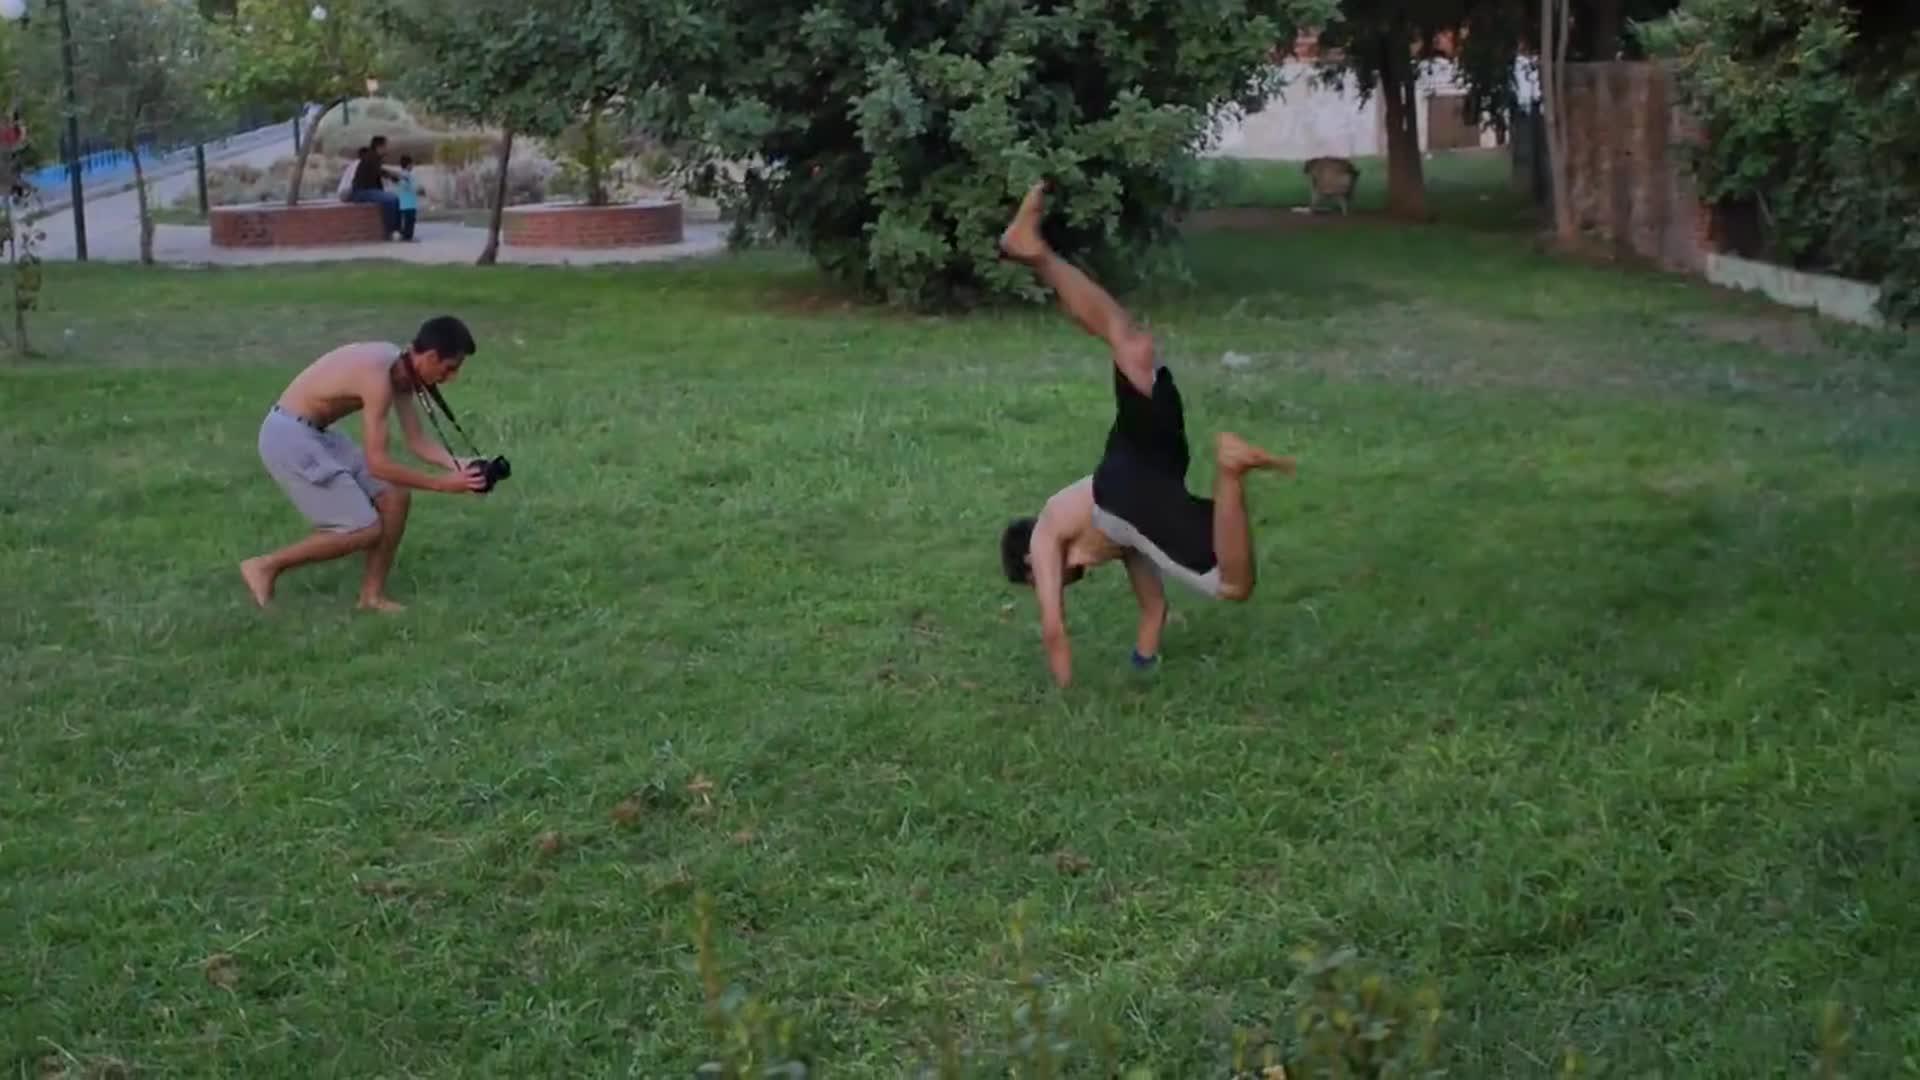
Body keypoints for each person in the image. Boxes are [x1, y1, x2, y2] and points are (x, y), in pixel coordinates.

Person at [996, 182, 1297, 688]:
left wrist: (1065, 694)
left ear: (1030, 562)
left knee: (1233, 585)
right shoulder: (1121, 541)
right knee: (1131, 345)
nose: (1051, 583)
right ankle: (1034, 252)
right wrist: (1142, 661)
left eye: (1036, 580)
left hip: (1125, 489)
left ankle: (1230, 469)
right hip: (1145, 469)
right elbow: (1153, 607)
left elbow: (1053, 629)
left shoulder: (1046, 535)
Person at [240, 316, 491, 612]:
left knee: (395, 497)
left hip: (320, 433)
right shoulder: (377, 377)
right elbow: (378, 464)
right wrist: (442, 484)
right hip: (288, 435)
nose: (451, 377)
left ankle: (371, 597)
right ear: (431, 357)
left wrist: (459, 465)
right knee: (362, 528)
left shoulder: (402, 369)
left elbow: (417, 441)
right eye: (450, 368)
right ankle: (265, 566)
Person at [345, 135, 403, 239]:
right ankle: (390, 231)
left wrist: (394, 177)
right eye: (386, 146)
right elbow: (380, 172)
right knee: (391, 199)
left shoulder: (374, 157)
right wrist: (394, 177)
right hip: (361, 192)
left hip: (366, 191)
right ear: (379, 147)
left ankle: (397, 230)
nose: (387, 148)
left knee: (393, 198)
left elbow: (379, 174)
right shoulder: (371, 157)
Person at [394, 154, 419, 241]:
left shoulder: (404, 175)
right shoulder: (405, 175)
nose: (412, 166)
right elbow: (408, 186)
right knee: (409, 220)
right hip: (408, 202)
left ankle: (406, 236)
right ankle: (407, 237)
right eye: (412, 164)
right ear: (408, 165)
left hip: (406, 202)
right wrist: (417, 189)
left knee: (408, 220)